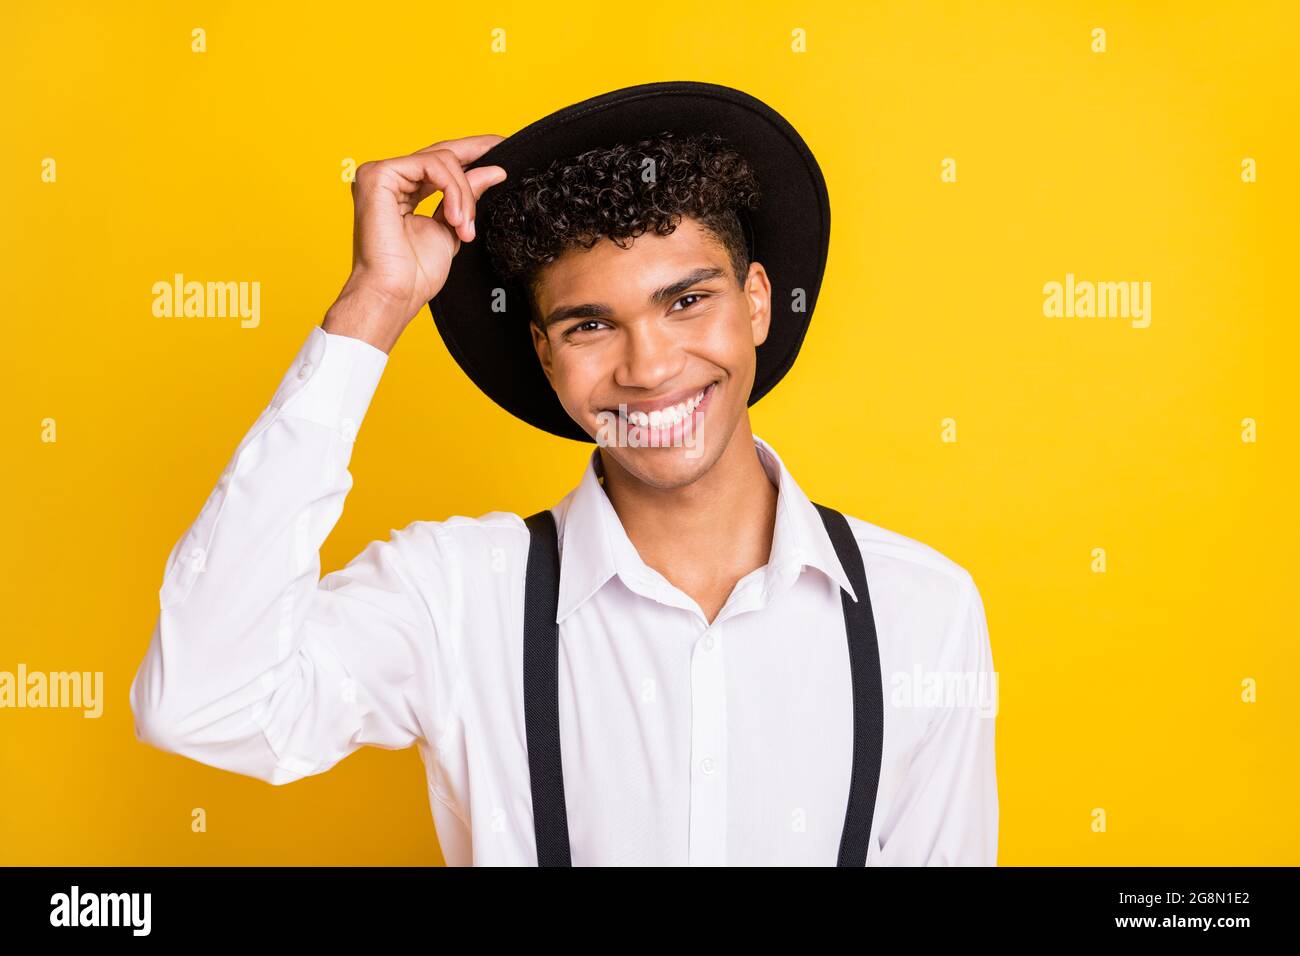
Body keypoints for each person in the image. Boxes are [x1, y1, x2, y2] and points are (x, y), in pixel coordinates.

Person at [130, 82, 998, 866]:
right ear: (545, 354)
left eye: (687, 300)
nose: (651, 367)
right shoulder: (458, 597)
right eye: (590, 326)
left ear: (758, 301)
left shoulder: (919, 607)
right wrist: (374, 305)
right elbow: (205, 701)